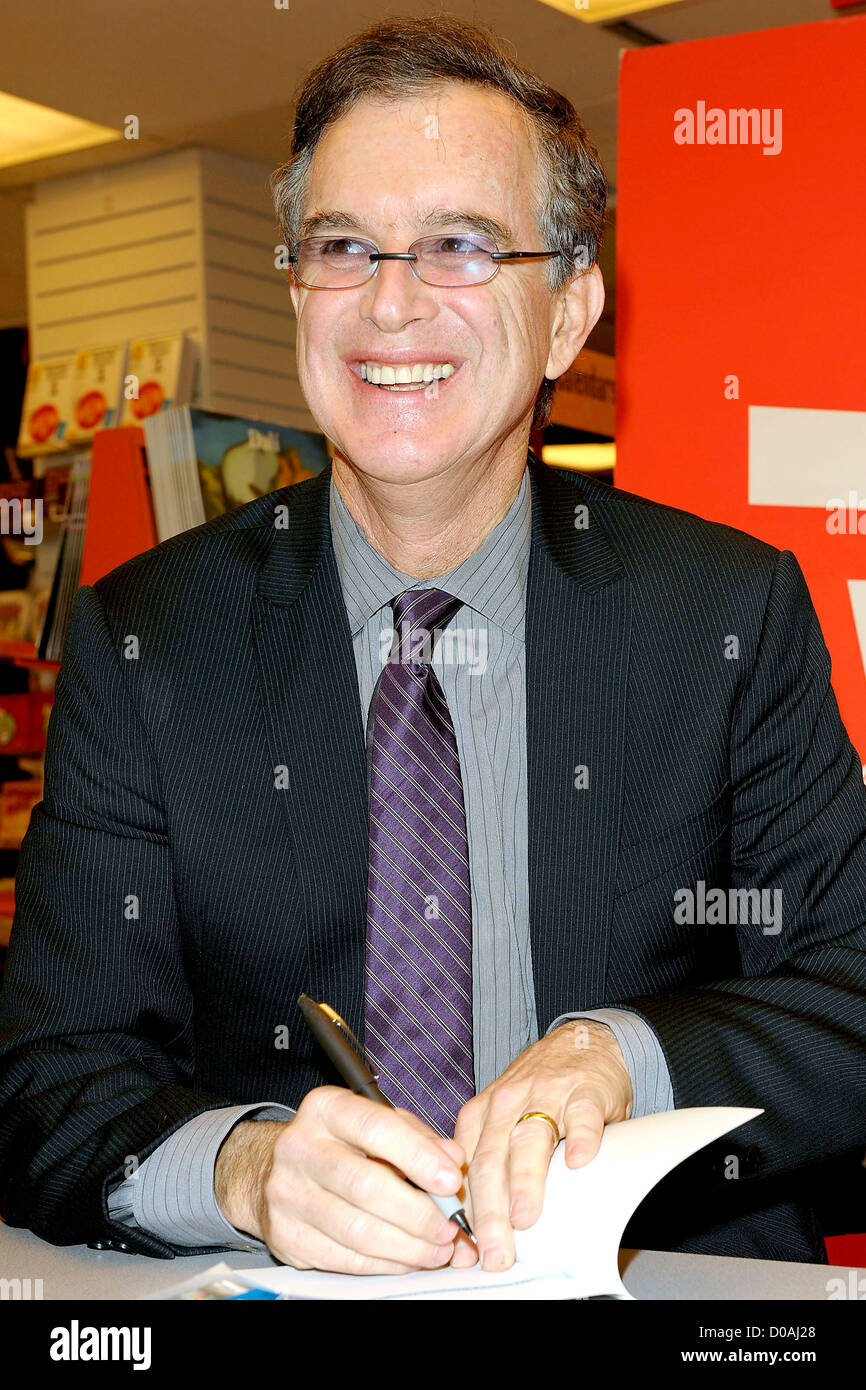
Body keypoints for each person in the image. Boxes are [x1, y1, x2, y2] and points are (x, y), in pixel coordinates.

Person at [1, 15, 864, 1277]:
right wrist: (240, 1165)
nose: (390, 302)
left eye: (457, 244)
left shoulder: (721, 615)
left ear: (568, 312)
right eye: (342, 246)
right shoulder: (150, 638)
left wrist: (622, 1055)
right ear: (296, 286)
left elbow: (848, 988)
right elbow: (46, 1078)